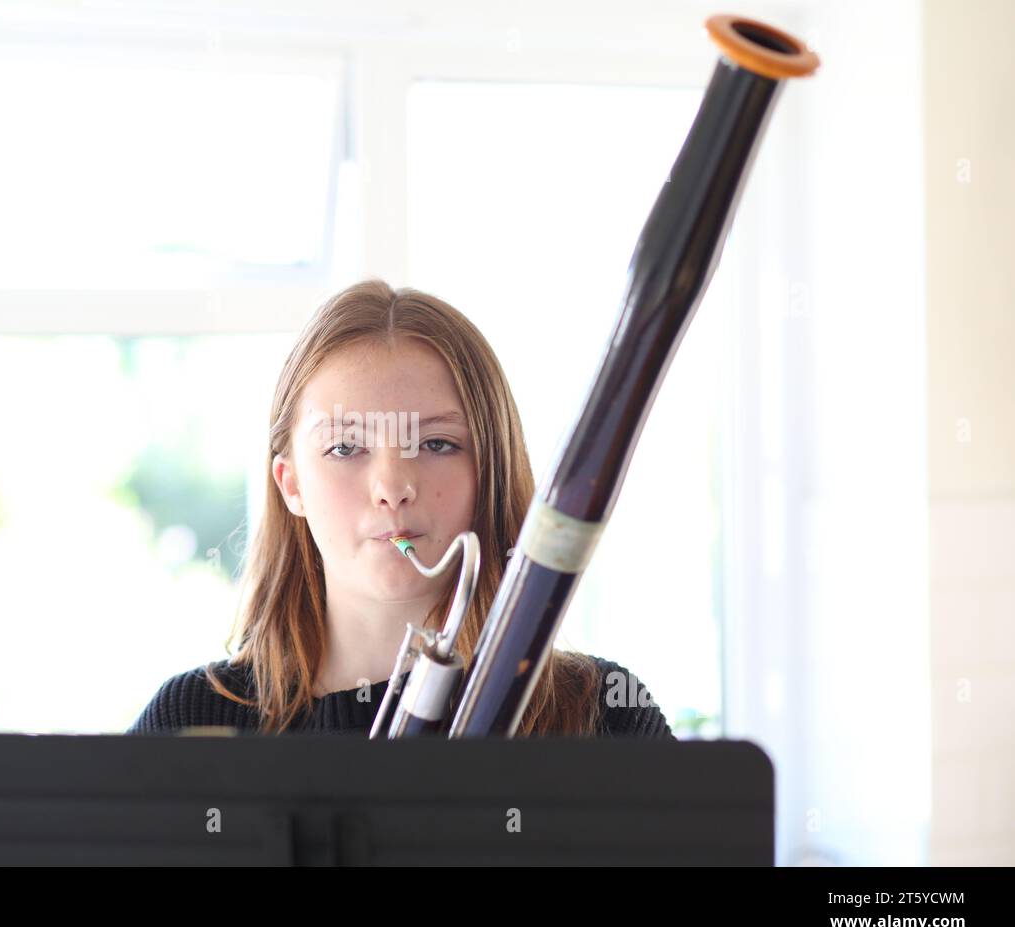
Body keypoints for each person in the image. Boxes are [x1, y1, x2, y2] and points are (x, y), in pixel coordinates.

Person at [126, 279, 674, 739]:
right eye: (346, 448)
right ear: (290, 484)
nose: (392, 488)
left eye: (436, 444)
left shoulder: (607, 717)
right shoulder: (189, 722)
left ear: (492, 473)